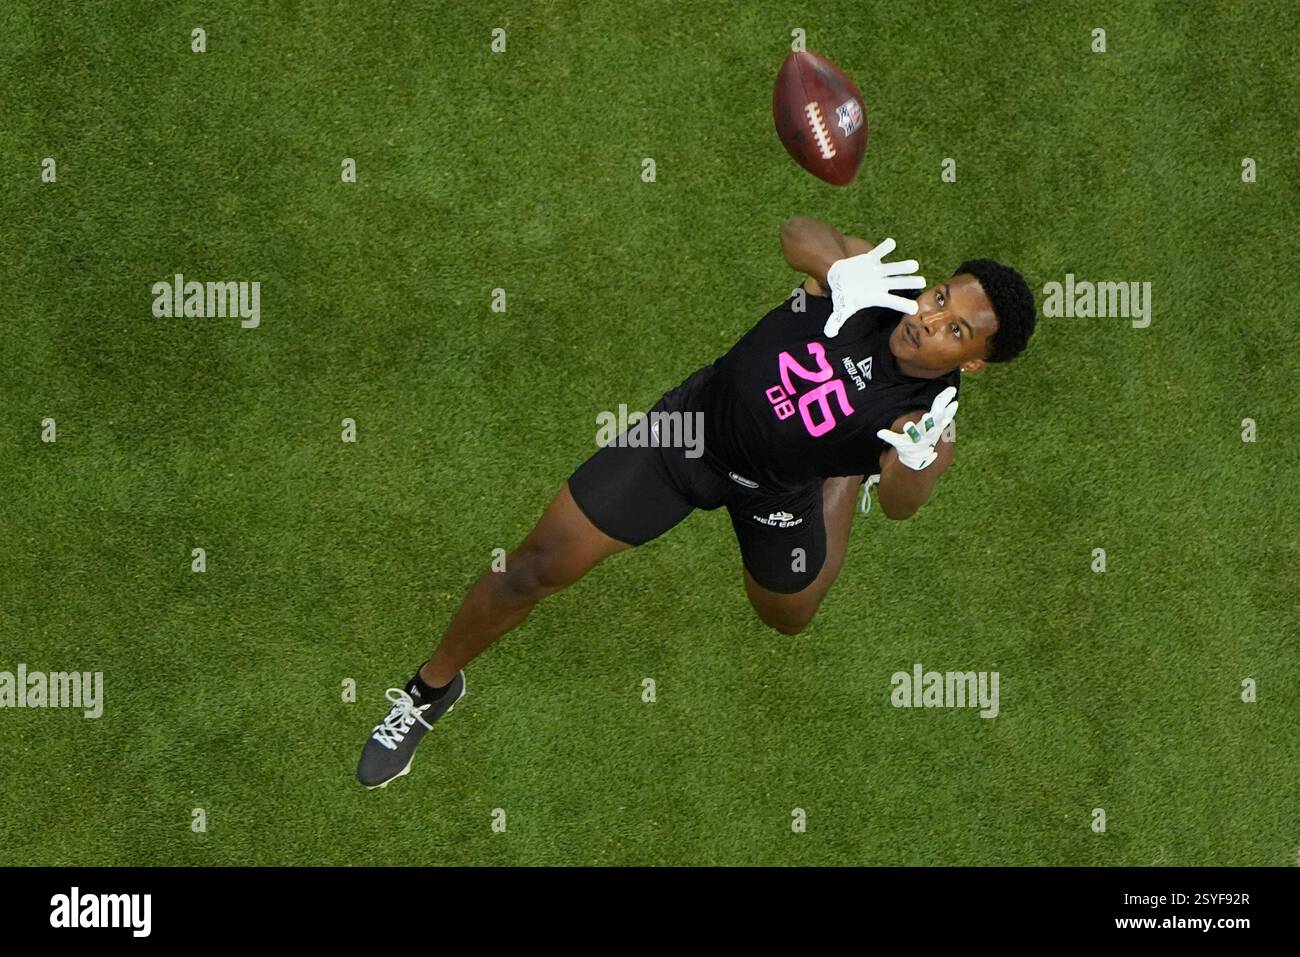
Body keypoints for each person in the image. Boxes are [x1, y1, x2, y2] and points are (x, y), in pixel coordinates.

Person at [357, 216, 1037, 789]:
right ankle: (429, 691)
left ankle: (839, 478)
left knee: (787, 615)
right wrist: (837, 271)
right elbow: (796, 231)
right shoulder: (874, 283)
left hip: (777, 491)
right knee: (533, 568)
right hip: (689, 434)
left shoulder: (931, 419)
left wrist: (911, 460)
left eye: (956, 331)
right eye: (940, 297)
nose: (930, 319)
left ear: (973, 361)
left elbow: (902, 505)